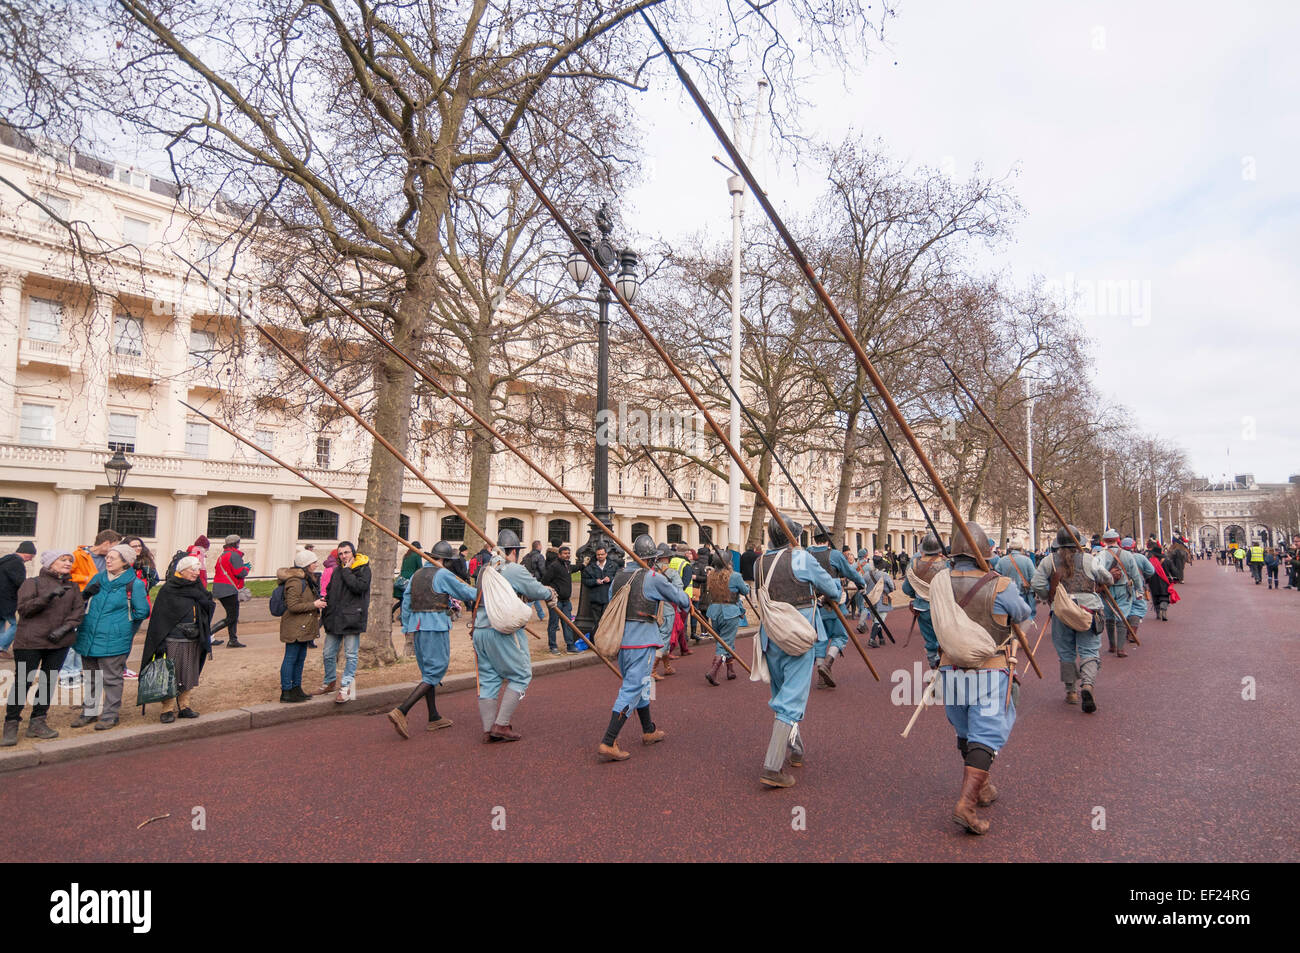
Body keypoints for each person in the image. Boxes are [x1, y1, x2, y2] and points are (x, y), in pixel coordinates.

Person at [929, 522, 1033, 835]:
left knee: (965, 729)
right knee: (985, 735)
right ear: (984, 552)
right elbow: (1024, 615)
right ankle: (966, 805)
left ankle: (983, 787)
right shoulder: (1000, 585)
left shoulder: (939, 583)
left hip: (949, 668)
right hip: (989, 670)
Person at [753, 513, 840, 789]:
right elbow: (831, 589)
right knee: (791, 700)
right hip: (798, 635)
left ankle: (796, 749)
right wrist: (829, 593)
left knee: (782, 696)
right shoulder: (802, 558)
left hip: (770, 636)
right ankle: (772, 765)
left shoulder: (759, 563)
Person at [597, 535, 692, 762]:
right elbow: (679, 598)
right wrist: (688, 603)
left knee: (642, 684)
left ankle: (648, 729)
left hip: (622, 641)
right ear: (652, 559)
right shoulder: (652, 577)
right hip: (642, 641)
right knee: (633, 687)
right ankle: (608, 741)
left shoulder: (619, 576)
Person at [473, 529, 554, 742]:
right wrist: (550, 593)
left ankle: (488, 727)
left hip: (480, 631)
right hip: (502, 630)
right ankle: (501, 725)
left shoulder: (484, 570)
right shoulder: (512, 569)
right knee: (521, 675)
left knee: (489, 679)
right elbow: (536, 589)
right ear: (513, 551)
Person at [390, 542, 477, 737]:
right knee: (436, 670)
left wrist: (406, 626)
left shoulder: (417, 574)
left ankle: (434, 717)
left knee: (428, 673)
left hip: (417, 626)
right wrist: (487, 591)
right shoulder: (443, 574)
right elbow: (465, 592)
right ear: (445, 560)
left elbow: (406, 599)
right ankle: (401, 711)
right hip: (435, 626)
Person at [2, 550, 86, 745]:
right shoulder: (32, 583)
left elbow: (78, 612)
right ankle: (11, 723)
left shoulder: (72, 586)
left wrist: (63, 630)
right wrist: (46, 597)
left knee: (48, 683)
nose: (67, 563)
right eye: (63, 560)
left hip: (59, 642)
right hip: (30, 642)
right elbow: (24, 609)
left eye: (69, 561)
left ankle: (38, 721)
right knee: (23, 682)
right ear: (50, 563)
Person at [1030, 526, 1113, 713]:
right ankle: (1087, 684)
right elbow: (1107, 578)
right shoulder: (1089, 559)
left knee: (1066, 652)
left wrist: (1049, 597)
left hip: (1061, 611)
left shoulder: (1048, 561)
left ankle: (1071, 691)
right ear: (1079, 543)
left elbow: (1036, 583)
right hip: (1088, 611)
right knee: (1089, 650)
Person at [71, 543, 151, 731]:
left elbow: (142, 611)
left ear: (125, 562)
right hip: (89, 635)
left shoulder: (135, 585)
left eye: (113, 557)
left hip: (114, 638)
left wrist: (120, 626)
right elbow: (83, 600)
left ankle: (110, 714)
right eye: (108, 556)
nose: (107, 559)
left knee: (111, 678)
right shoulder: (98, 579)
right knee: (91, 676)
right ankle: (89, 712)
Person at [141, 555, 215, 723]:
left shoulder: (198, 587)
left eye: (198, 569)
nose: (196, 573)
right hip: (173, 638)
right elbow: (160, 617)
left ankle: (184, 706)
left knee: (188, 673)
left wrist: (205, 601)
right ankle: (167, 709)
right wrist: (160, 642)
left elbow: (208, 605)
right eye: (193, 569)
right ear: (182, 570)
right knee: (170, 674)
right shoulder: (169, 589)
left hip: (194, 638)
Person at [62, 529, 122, 687]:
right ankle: (67, 671)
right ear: (106, 543)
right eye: (114, 546)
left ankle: (77, 670)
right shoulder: (78, 555)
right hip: (79, 599)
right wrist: (87, 578)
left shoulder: (109, 558)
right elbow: (67, 575)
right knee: (72, 634)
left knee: (83, 635)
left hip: (96, 602)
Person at [806, 528, 865, 688]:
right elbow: (850, 572)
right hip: (833, 602)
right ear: (827, 538)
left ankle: (820, 677)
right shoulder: (835, 555)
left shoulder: (807, 554)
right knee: (840, 636)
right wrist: (862, 583)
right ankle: (827, 665)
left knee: (820, 639)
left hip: (813, 602)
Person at [317, 540, 371, 701]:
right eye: (340, 554)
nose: (343, 556)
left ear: (353, 553)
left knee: (351, 654)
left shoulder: (363, 569)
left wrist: (347, 571)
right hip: (335, 618)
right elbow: (330, 590)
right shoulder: (337, 571)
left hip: (352, 618)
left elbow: (358, 588)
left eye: (346, 552)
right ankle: (330, 681)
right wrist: (325, 605)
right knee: (328, 653)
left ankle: (346, 686)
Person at [278, 550, 324, 703]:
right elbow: (292, 605)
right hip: (295, 626)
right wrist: (314, 604)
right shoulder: (296, 581)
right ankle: (286, 690)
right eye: (313, 562)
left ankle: (296, 688)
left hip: (303, 626)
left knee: (300, 658)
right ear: (306, 565)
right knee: (291, 658)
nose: (316, 564)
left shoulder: (306, 580)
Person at [902, 534, 949, 669]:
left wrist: (917, 594)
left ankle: (934, 669)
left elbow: (907, 589)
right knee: (946, 640)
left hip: (923, 608)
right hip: (943, 608)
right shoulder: (947, 564)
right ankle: (945, 667)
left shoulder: (914, 563)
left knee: (930, 642)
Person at [704, 549, 749, 686]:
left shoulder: (711, 575)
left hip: (714, 612)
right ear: (728, 562)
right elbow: (745, 591)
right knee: (725, 643)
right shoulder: (734, 576)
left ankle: (730, 670)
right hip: (730, 613)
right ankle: (713, 671)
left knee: (725, 641)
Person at [1095, 529, 1141, 657]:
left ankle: (1112, 645)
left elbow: (1096, 573)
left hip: (1106, 589)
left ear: (1104, 541)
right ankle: (1120, 649)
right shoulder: (1127, 555)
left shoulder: (1100, 555)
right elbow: (1135, 575)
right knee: (1122, 616)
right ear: (1117, 539)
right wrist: (1139, 590)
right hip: (1123, 588)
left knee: (1109, 617)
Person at [210, 535, 250, 649]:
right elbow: (240, 573)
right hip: (229, 589)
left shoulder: (223, 555)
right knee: (232, 616)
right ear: (236, 543)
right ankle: (208, 633)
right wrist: (246, 568)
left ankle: (233, 640)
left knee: (232, 614)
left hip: (220, 587)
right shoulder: (234, 555)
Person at [0, 541, 37, 659]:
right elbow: (20, 583)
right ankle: (1, 647)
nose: (30, 560)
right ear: (27, 554)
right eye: (31, 557)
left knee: (1, 623)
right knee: (17, 624)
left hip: (2, 599)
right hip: (8, 600)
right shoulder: (17, 563)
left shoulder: (4, 561)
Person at [542, 543, 576, 654]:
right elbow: (545, 581)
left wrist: (584, 565)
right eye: (565, 553)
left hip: (566, 601)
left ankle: (570, 646)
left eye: (568, 553)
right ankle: (553, 646)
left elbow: (574, 568)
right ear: (559, 555)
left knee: (568, 624)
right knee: (553, 624)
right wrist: (553, 591)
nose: (567, 555)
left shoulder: (567, 565)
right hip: (556, 601)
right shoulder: (554, 566)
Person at [859, 555, 895, 647]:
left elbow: (862, 584)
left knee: (876, 620)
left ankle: (881, 639)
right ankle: (872, 639)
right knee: (880, 620)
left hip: (870, 600)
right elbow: (892, 587)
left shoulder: (867, 574)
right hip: (883, 599)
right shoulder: (885, 575)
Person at [581, 545, 614, 636]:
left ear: (606, 554)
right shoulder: (590, 567)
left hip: (608, 598)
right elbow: (585, 580)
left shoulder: (612, 565)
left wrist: (610, 579)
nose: (600, 556)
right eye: (598, 555)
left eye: (602, 554)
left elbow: (618, 577)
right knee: (597, 622)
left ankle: (606, 640)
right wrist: (595, 581)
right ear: (596, 555)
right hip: (596, 598)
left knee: (607, 621)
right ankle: (597, 640)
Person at [993, 537, 1035, 608]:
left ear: (1010, 548)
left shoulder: (1002, 560)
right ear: (1021, 548)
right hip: (1023, 594)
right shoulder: (1027, 560)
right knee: (1026, 616)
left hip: (1006, 594)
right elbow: (1034, 578)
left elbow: (996, 575)